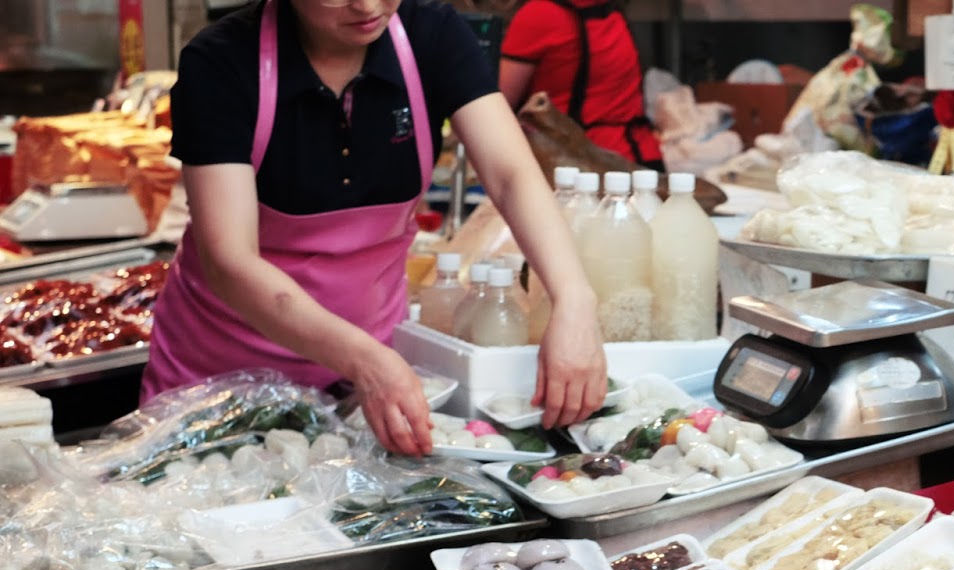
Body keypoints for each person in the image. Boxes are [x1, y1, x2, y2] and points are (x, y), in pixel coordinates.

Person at [148, 0, 607, 455]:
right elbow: (229, 260)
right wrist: (364, 359)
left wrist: (574, 299)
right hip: (217, 387)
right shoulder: (223, 61)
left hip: (362, 384)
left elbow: (511, 177)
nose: (367, 5)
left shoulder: (433, 37)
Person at [497, 0, 662, 167]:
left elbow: (496, 106)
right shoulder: (609, 9)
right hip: (638, 158)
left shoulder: (539, 15)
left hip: (578, 164)